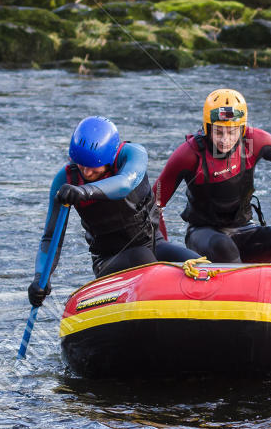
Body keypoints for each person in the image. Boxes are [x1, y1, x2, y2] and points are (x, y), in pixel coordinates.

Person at [27, 116, 198, 308]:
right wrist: (40, 278)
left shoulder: (133, 154)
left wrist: (83, 192)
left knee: (199, 266)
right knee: (142, 257)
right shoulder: (66, 179)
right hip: (108, 260)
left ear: (109, 157)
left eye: (92, 167)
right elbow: (51, 238)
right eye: (81, 164)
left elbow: (124, 184)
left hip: (153, 245)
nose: (86, 173)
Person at [154, 88, 271, 264]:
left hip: (245, 231)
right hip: (204, 236)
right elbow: (155, 203)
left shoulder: (255, 141)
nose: (225, 139)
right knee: (223, 247)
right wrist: (164, 248)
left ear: (242, 128)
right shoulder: (189, 154)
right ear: (207, 128)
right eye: (218, 132)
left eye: (232, 132)